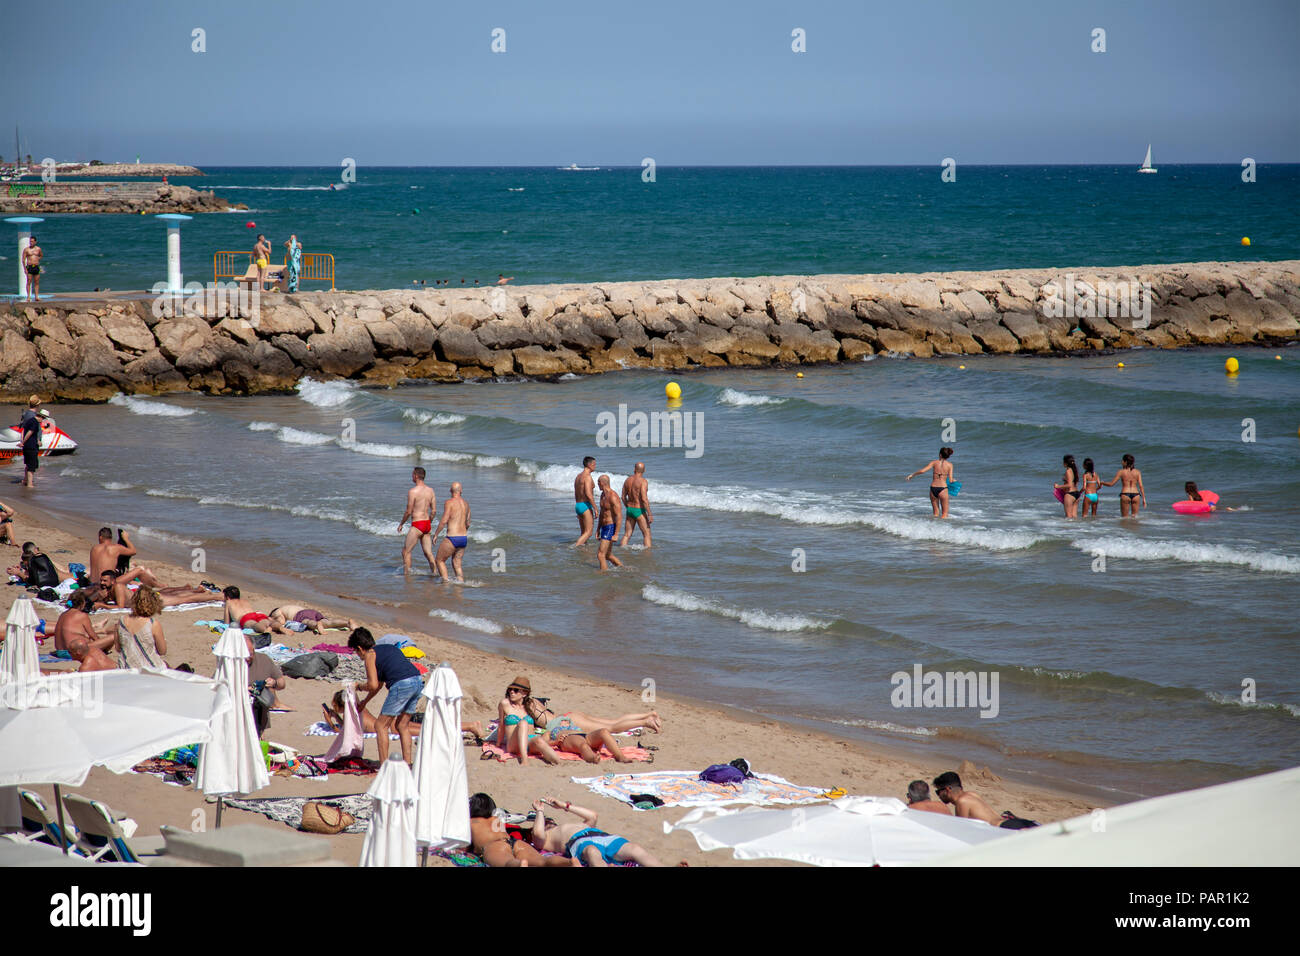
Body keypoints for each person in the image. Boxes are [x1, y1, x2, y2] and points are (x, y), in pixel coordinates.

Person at [349, 627, 423, 765]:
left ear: (360, 648)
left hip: (402, 684)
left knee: (380, 726)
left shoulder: (370, 655)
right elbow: (378, 685)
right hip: (417, 680)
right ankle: (407, 764)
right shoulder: (388, 649)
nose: (358, 656)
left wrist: (359, 686)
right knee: (402, 725)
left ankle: (384, 767)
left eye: (356, 652)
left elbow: (371, 685)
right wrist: (365, 702)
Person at [530, 796, 665, 867]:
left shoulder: (580, 825)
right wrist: (540, 811)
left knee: (634, 849)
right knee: (592, 852)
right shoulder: (546, 838)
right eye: (545, 821)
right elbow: (537, 834)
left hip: (602, 836)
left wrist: (564, 806)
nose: (549, 821)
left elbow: (593, 816)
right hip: (579, 843)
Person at [322, 689, 485, 739]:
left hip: (392, 728)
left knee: (430, 730)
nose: (335, 709)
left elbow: (342, 732)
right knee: (431, 727)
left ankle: (470, 726)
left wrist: (330, 721)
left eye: (335, 706)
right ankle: (470, 725)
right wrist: (336, 717)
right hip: (390, 722)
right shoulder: (358, 710)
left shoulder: (353, 715)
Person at [468, 793, 576, 867]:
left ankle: (519, 864)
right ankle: (569, 862)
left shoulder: (471, 822)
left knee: (507, 863)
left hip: (494, 846)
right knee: (543, 861)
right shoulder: (495, 819)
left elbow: (463, 844)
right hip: (514, 842)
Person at [497, 676, 560, 765]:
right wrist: (498, 744)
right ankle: (524, 759)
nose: (511, 692)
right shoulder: (505, 704)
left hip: (530, 741)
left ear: (524, 693)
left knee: (539, 740)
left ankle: (558, 762)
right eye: (510, 689)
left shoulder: (530, 705)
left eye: (515, 690)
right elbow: (501, 725)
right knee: (523, 723)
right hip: (513, 744)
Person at [524, 696, 662, 736]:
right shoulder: (535, 700)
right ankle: (649, 714)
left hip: (563, 721)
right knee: (613, 721)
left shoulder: (524, 708)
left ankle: (646, 722)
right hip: (568, 715)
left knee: (612, 728)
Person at [94, 569, 209, 611]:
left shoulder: (118, 586)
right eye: (102, 580)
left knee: (184, 599)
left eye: (105, 581)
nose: (102, 583)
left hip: (151, 600)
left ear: (113, 581)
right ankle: (195, 590)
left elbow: (120, 606)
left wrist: (102, 605)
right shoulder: (113, 589)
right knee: (172, 594)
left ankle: (216, 596)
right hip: (147, 598)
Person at [114, 585, 168, 670]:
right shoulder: (152, 624)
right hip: (149, 668)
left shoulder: (121, 621)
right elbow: (162, 651)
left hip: (126, 668)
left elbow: (117, 648)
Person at [398, 467, 438, 575]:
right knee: (428, 553)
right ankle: (435, 574)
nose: (412, 476)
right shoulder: (431, 491)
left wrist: (401, 524)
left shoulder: (413, 491)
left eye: (412, 474)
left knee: (406, 551)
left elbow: (408, 511)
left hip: (417, 524)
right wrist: (429, 521)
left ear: (416, 476)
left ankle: (407, 576)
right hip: (427, 524)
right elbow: (434, 511)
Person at [246, 634, 288, 735]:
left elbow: (282, 684)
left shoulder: (263, 660)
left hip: (259, 714)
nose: (247, 658)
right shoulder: (229, 664)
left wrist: (274, 683)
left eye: (250, 654)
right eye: (244, 655)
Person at [89, 527, 160, 586]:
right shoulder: (115, 548)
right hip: (106, 585)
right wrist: (126, 539)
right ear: (110, 538)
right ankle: (158, 586)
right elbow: (133, 551)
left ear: (100, 537)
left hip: (92, 584)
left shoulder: (94, 548)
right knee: (140, 569)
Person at [433, 481, 471, 582]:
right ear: (461, 491)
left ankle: (445, 583)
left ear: (450, 490)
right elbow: (468, 524)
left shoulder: (449, 502)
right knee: (457, 564)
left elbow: (444, 520)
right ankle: (460, 586)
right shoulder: (466, 504)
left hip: (452, 538)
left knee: (439, 560)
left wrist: (436, 534)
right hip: (463, 538)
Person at [933, 771, 1002, 826]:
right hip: (1007, 824)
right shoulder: (972, 794)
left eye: (938, 791)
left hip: (1002, 830)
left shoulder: (961, 802)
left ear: (948, 790)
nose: (938, 796)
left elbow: (962, 829)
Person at [905, 447, 955, 518]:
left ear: (940, 455)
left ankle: (932, 527)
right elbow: (950, 480)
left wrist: (912, 475)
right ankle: (940, 528)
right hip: (943, 489)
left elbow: (922, 471)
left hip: (933, 488)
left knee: (935, 514)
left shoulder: (934, 463)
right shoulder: (950, 465)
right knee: (944, 514)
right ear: (947, 456)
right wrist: (954, 481)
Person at [221, 585, 285, 635]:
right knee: (269, 622)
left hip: (245, 618)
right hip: (256, 614)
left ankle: (265, 630)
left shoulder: (228, 602)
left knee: (254, 625)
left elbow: (226, 622)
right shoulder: (245, 601)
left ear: (228, 597)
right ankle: (280, 627)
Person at [619, 462, 654, 548]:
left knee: (627, 534)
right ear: (644, 470)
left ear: (634, 469)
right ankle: (647, 555)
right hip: (639, 510)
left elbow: (623, 497)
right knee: (646, 534)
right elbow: (644, 499)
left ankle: (622, 551)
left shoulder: (627, 480)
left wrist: (628, 507)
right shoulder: (643, 481)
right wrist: (649, 514)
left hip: (630, 510)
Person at [1101, 453, 1145, 517]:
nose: (1121, 462)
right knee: (1135, 518)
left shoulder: (1121, 471)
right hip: (1136, 495)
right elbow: (1141, 486)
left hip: (1125, 494)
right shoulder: (1137, 472)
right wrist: (1144, 499)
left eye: (1122, 461)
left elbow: (1111, 484)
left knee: (1125, 518)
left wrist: (1102, 482)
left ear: (1126, 462)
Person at [268, 604, 355, 635]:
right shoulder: (288, 607)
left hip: (299, 615)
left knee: (307, 622)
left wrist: (272, 620)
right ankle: (347, 623)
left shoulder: (277, 611)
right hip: (311, 611)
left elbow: (281, 621)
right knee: (328, 622)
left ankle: (316, 625)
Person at [595, 474, 623, 571]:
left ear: (603, 483)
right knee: (607, 555)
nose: (597, 484)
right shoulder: (603, 495)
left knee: (600, 554)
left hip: (610, 527)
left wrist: (616, 534)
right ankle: (623, 569)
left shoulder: (613, 497)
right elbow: (602, 514)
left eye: (598, 482)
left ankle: (604, 574)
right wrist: (598, 529)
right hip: (604, 527)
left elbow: (619, 516)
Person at [573, 456, 597, 546]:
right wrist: (595, 508)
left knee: (583, 533)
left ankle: (583, 551)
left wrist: (578, 509)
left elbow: (576, 492)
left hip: (578, 505)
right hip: (585, 505)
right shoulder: (587, 477)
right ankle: (574, 547)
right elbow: (588, 494)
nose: (595, 466)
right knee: (589, 532)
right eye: (594, 464)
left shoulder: (578, 477)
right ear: (589, 465)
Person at [19, 396, 41, 488]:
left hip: (27, 444)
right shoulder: (34, 418)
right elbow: (30, 431)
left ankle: (25, 480)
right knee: (31, 465)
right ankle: (30, 484)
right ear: (38, 405)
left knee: (28, 463)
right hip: (31, 444)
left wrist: (22, 441)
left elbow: (23, 429)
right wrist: (38, 440)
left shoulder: (26, 414)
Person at [1054, 454, 1082, 519]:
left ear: (1066, 463)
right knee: (1074, 518)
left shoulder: (1068, 471)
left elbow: (1069, 485)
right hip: (1076, 494)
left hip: (1070, 495)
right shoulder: (1075, 471)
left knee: (1069, 518)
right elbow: (1076, 483)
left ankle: (1069, 529)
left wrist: (1058, 486)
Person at [21, 237, 42, 302]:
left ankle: (36, 297)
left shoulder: (38, 249)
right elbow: (23, 260)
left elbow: (41, 255)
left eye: (32, 241)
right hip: (29, 267)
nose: (31, 243)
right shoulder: (26, 249)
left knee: (36, 282)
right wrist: (25, 268)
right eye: (30, 241)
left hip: (36, 266)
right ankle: (28, 297)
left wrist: (38, 259)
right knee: (29, 281)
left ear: (35, 242)